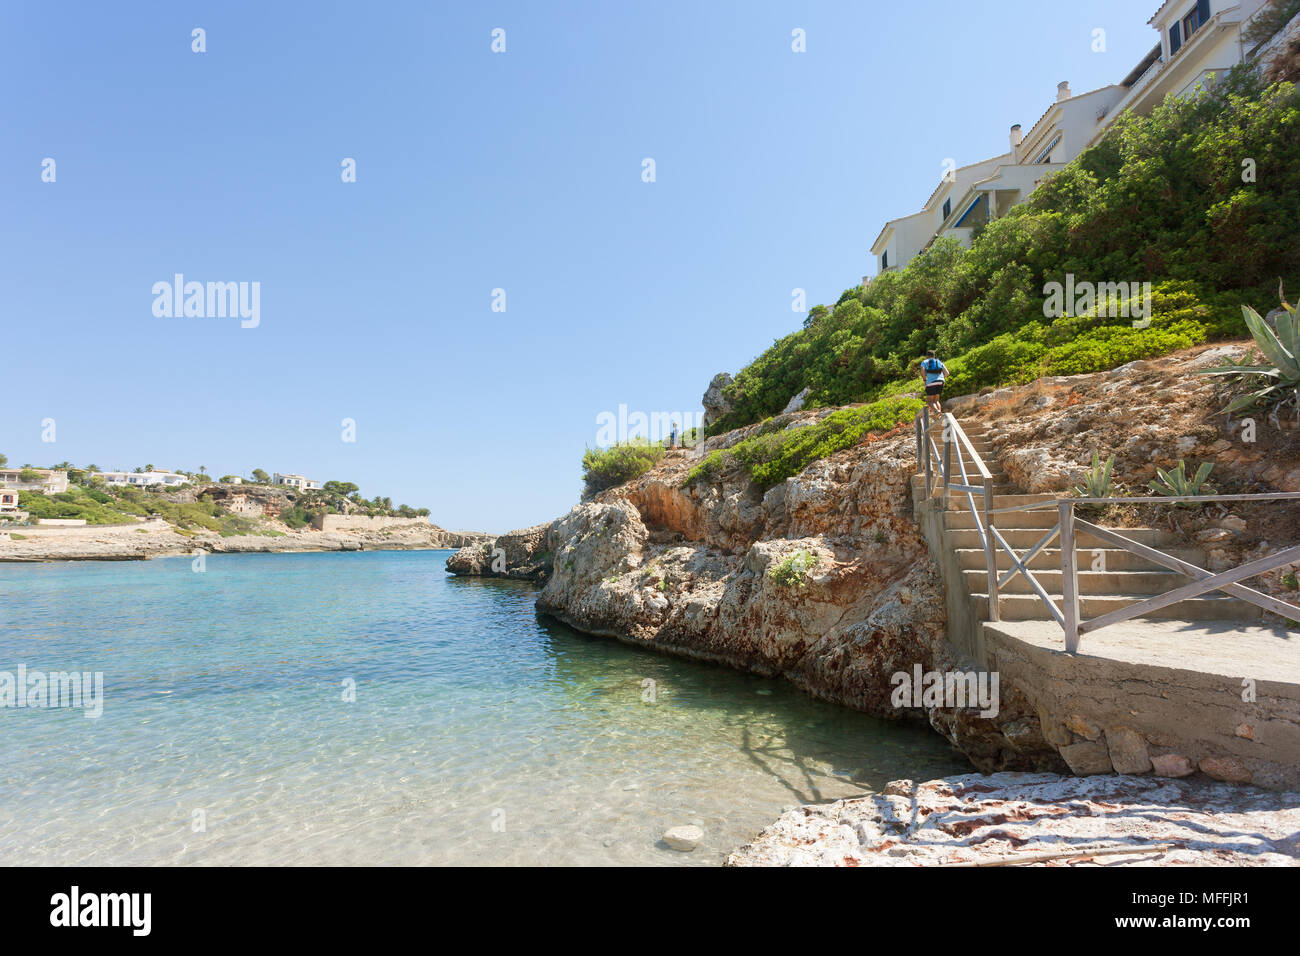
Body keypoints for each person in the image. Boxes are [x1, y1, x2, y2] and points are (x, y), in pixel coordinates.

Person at [920, 350, 948, 417]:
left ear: (927, 356)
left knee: (929, 401)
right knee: (936, 400)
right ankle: (939, 415)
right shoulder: (939, 362)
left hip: (931, 382)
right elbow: (947, 373)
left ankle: (937, 411)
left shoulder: (924, 362)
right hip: (941, 382)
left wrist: (925, 380)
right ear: (934, 356)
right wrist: (941, 378)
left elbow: (922, 371)